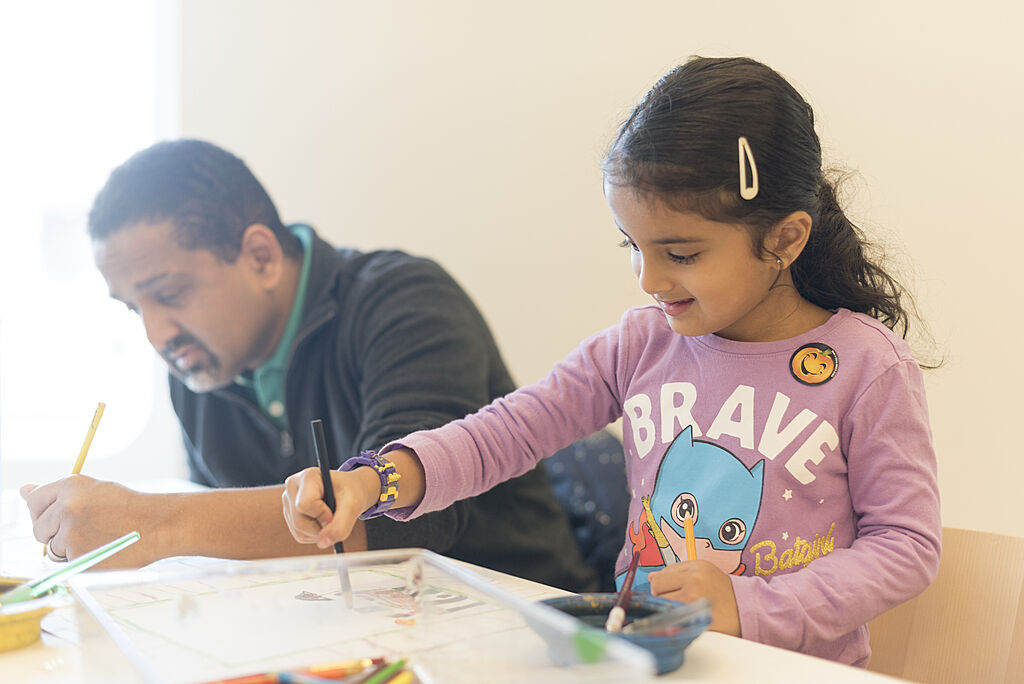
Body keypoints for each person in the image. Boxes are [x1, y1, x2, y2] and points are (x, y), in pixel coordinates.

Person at [282, 56, 942, 666]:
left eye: (681, 254)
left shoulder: (864, 366)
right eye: (632, 244)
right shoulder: (639, 344)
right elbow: (508, 432)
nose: (649, 278)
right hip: (645, 662)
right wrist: (374, 482)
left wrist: (750, 606)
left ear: (785, 237)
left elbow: (906, 547)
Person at [18, 139, 599, 593]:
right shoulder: (201, 367)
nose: (155, 334)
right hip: (342, 630)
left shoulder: (406, 300)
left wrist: (155, 524)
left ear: (261, 256)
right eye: (132, 308)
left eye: (169, 294)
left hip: (518, 625)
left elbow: (404, 520)